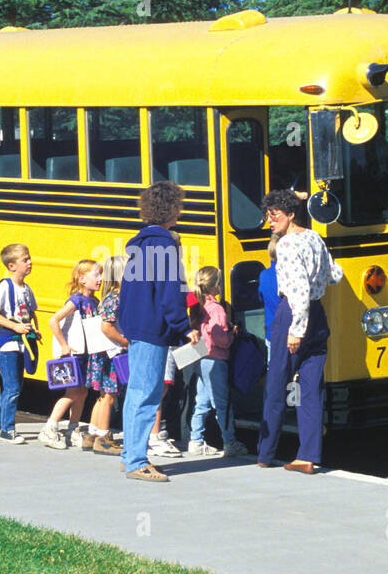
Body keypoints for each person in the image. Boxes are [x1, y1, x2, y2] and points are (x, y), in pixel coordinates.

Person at [256, 189, 344, 474]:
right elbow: (336, 274)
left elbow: (298, 290)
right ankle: (308, 455)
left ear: (291, 215)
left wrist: (295, 330)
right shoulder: (315, 237)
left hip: (292, 316)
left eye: (275, 215)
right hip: (318, 315)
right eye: (268, 215)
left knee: (277, 385)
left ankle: (266, 453)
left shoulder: (287, 245)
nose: (269, 221)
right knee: (311, 390)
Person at [118, 181, 194, 483]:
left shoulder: (139, 245)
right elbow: (169, 292)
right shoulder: (163, 244)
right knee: (146, 395)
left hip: (136, 327)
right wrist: (184, 327)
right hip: (152, 329)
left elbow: (128, 291)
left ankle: (130, 456)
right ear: (171, 208)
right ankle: (136, 461)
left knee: (136, 393)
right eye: (178, 205)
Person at [40, 259, 103, 451]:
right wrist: (63, 345)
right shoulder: (76, 300)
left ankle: (72, 428)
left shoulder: (94, 301)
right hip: (73, 354)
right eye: (96, 275)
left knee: (82, 392)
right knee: (73, 392)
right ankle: (50, 427)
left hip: (85, 354)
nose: (100, 279)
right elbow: (53, 320)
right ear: (82, 279)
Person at [187, 266, 246, 457]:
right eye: (219, 283)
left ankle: (195, 440)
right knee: (222, 403)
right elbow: (218, 336)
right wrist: (231, 336)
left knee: (201, 401)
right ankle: (230, 442)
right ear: (215, 286)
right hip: (215, 360)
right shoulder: (217, 309)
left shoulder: (197, 306)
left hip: (200, 358)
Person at [0, 243, 36, 444]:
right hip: (8, 345)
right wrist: (15, 327)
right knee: (12, 387)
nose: (30, 262)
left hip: (22, 344)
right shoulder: (5, 287)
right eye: (25, 260)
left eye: (29, 258)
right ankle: (7, 429)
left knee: (15, 386)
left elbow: (30, 313)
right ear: (12, 266)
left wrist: (33, 328)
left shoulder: (26, 288)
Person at [88, 254, 129, 455]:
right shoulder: (116, 298)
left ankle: (92, 434)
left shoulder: (109, 297)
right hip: (111, 355)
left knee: (103, 396)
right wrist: (125, 343)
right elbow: (107, 327)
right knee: (110, 396)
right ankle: (103, 439)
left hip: (103, 354)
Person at [258, 231, 283, 357]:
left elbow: (261, 297)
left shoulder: (264, 275)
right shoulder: (290, 276)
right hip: (290, 334)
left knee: (273, 368)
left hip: (272, 333)